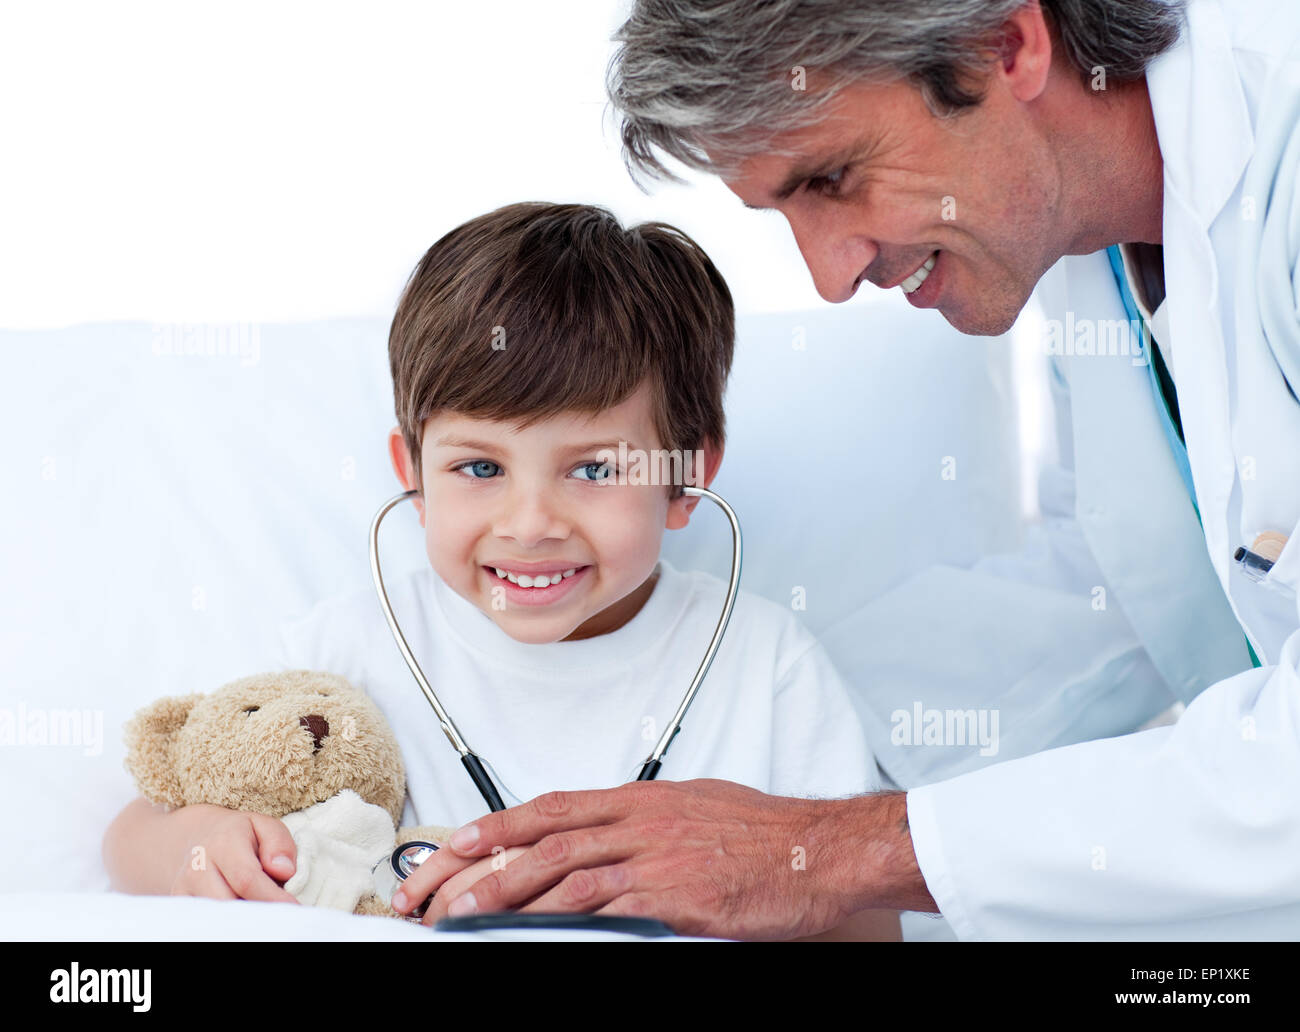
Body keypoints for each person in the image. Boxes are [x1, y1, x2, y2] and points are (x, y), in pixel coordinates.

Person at [401, 0, 1300, 940]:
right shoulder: (1090, 251)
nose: (831, 276)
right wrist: (746, 748)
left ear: (1009, 42)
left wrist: (837, 849)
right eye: (782, 210)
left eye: (833, 177)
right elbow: (1127, 582)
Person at [101, 201, 900, 941]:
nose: (529, 524)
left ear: (685, 480)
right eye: (480, 469)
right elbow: (132, 835)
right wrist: (197, 849)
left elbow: (865, 916)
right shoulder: (347, 650)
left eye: (593, 470)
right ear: (411, 475)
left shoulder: (766, 667)